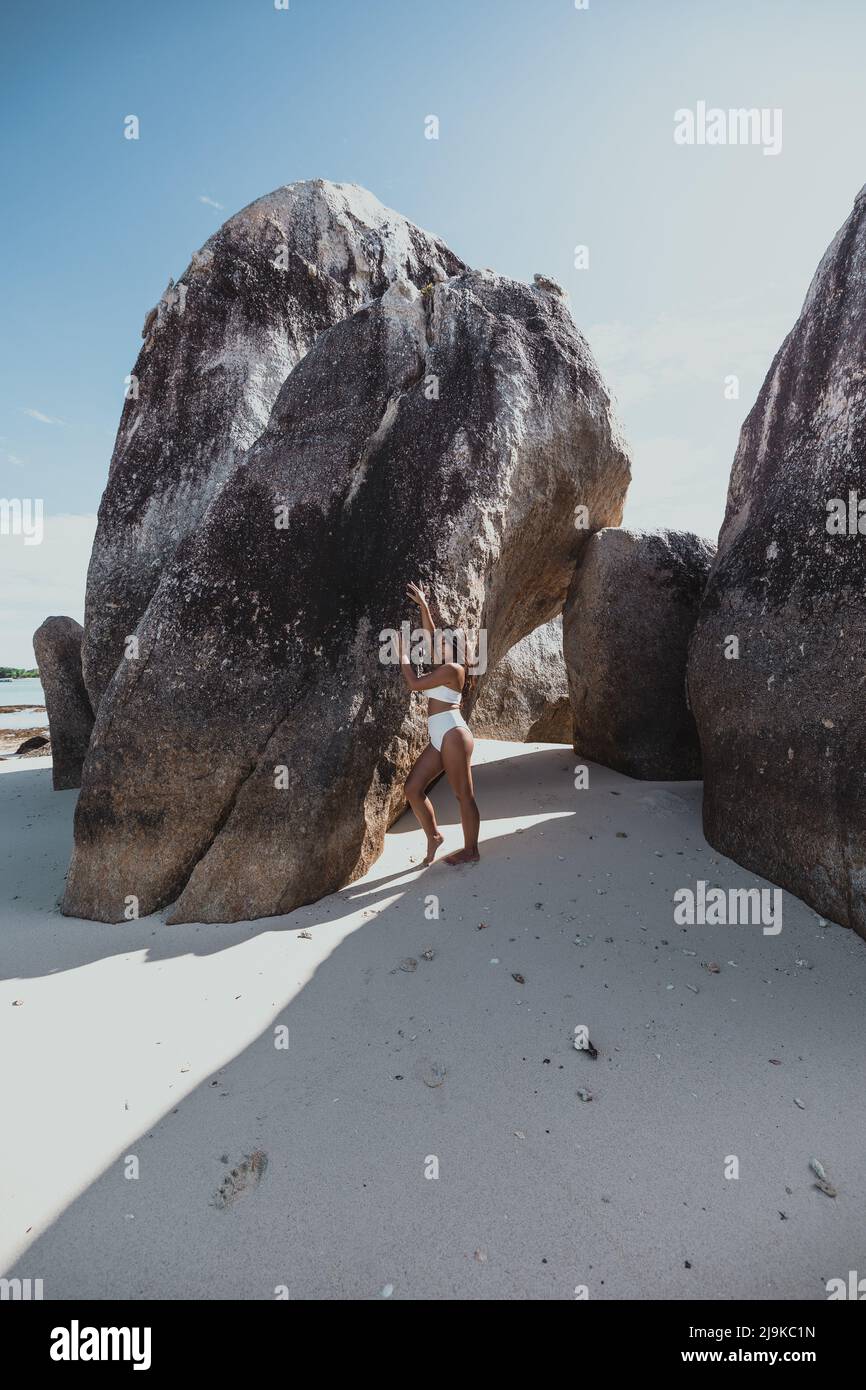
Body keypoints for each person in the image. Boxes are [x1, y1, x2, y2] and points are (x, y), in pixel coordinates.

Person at [398, 582, 480, 866]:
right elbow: (430, 635)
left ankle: (471, 851)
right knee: (412, 789)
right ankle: (434, 836)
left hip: (454, 735)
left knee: (463, 796)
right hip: (439, 736)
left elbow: (414, 684)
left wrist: (403, 654)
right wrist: (423, 605)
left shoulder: (453, 669)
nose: (437, 643)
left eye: (444, 642)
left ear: (453, 647)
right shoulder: (445, 663)